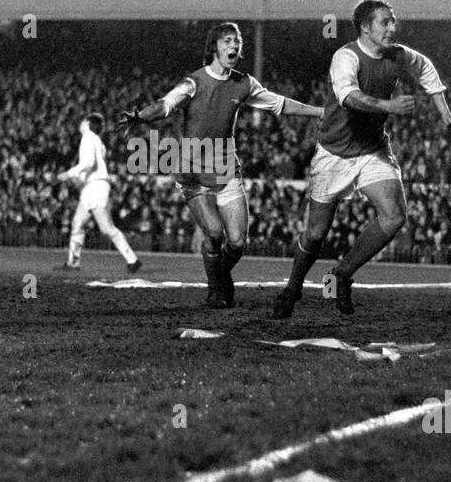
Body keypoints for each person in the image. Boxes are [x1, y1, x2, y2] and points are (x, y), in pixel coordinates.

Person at [271, 0, 451, 319]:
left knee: (394, 217)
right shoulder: (345, 57)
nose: (392, 27)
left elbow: (425, 68)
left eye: (393, 21)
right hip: (334, 154)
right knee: (316, 233)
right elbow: (348, 97)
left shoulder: (398, 55)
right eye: (385, 22)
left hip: (372, 151)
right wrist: (388, 107)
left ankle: (343, 273)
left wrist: (445, 112)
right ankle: (293, 287)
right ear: (365, 28)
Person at [119, 21, 322, 307]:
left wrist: (320, 112)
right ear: (214, 46)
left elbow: (281, 104)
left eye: (237, 41)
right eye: (228, 40)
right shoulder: (194, 82)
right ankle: (217, 290)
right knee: (213, 233)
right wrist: (140, 117)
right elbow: (167, 104)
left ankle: (218, 276)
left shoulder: (244, 83)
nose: (234, 46)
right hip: (191, 171)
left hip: (225, 169)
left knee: (238, 242)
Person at [58, 113, 142, 273]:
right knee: (78, 223)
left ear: (88, 124)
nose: (81, 123)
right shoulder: (98, 142)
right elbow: (94, 164)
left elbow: (88, 163)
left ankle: (133, 259)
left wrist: (69, 174)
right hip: (93, 187)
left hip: (95, 187)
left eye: (83, 120)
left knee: (106, 228)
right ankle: (73, 262)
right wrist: (79, 178)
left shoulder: (88, 137)